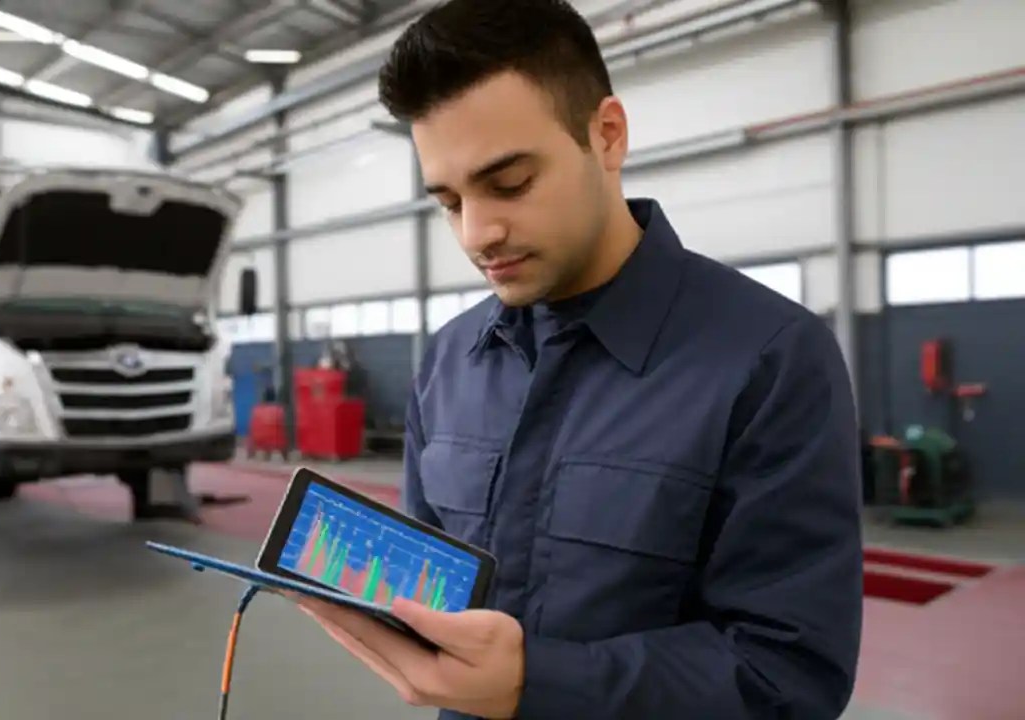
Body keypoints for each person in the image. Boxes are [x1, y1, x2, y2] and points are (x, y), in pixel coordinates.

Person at [293, 1, 864, 718]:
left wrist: (536, 682)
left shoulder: (768, 359)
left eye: (509, 184)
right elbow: (437, 599)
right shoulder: (449, 362)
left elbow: (788, 674)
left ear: (607, 135)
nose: (478, 233)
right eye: (448, 200)